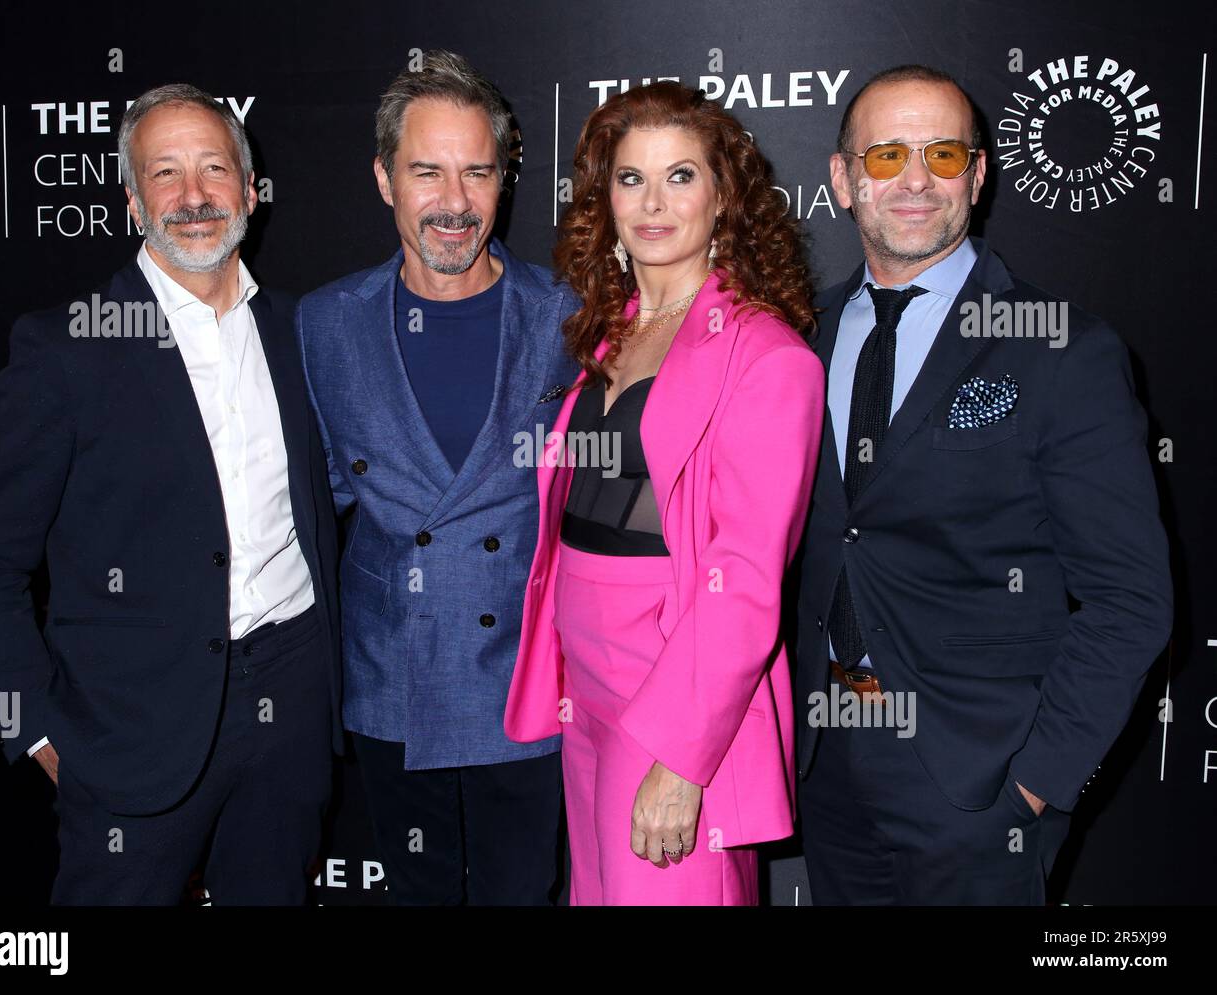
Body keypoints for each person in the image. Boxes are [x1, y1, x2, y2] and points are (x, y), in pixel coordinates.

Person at [0, 84, 342, 904]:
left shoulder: (300, 331)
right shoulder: (65, 351)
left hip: (293, 699)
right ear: (132, 201)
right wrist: (37, 728)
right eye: (165, 173)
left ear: (250, 189)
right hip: (130, 727)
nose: (193, 195)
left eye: (213, 168)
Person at [793, 64, 1173, 904]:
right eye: (887, 155)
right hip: (824, 761)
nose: (916, 179)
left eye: (943, 154)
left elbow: (1130, 598)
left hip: (979, 780)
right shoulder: (797, 338)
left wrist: (1037, 781)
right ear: (843, 180)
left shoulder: (1060, 347)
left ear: (978, 173)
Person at [505, 81, 825, 905]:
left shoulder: (766, 356)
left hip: (673, 686)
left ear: (723, 199)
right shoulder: (610, 328)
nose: (653, 203)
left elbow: (745, 577)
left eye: (681, 176)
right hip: (584, 678)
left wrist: (683, 759)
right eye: (631, 178)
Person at [296, 51, 580, 905]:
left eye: (477, 172)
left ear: (504, 182)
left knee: (520, 892)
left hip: (526, 678)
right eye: (427, 172)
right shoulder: (325, 324)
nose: (454, 202)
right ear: (386, 179)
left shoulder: (569, 315)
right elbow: (309, 502)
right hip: (395, 675)